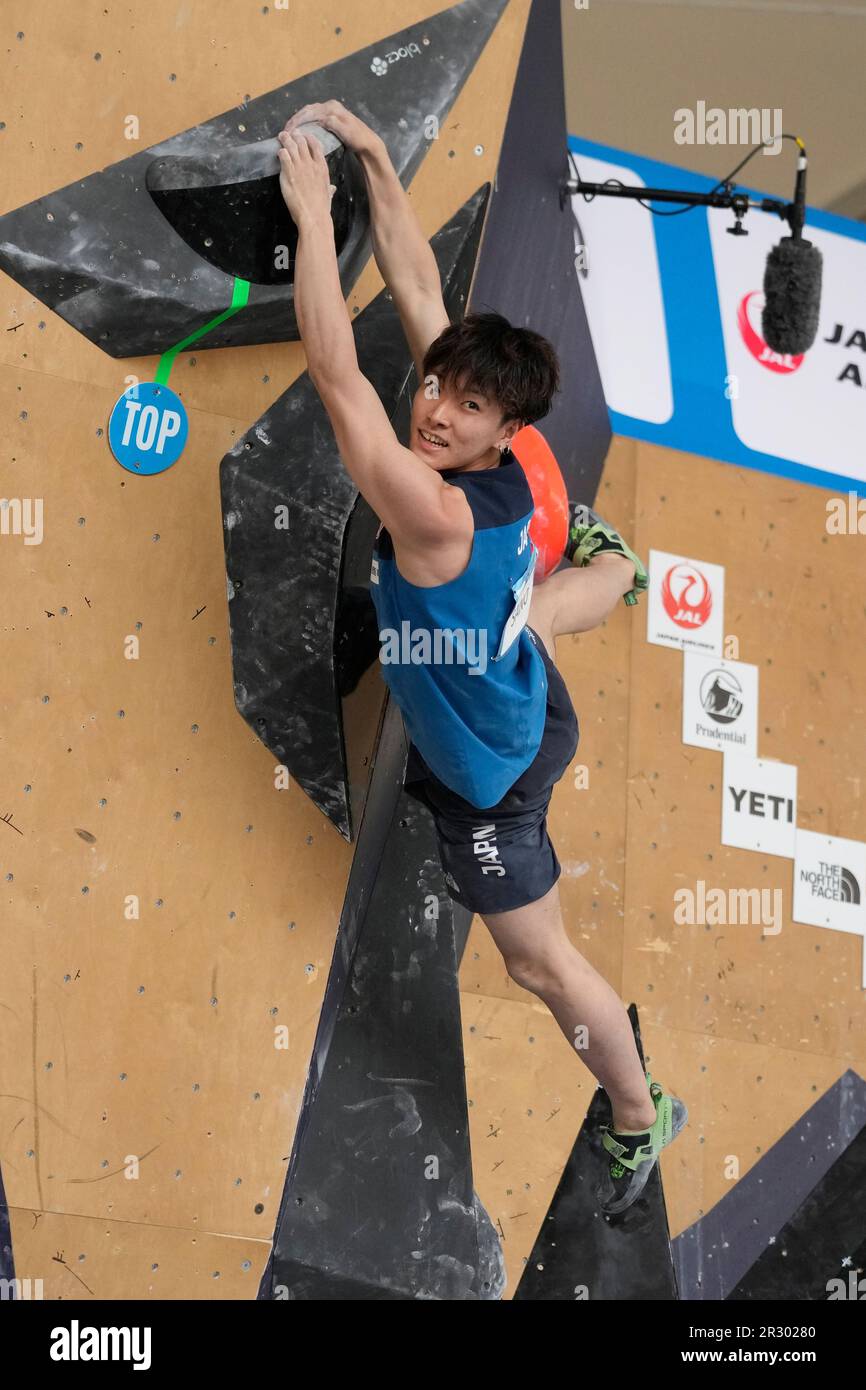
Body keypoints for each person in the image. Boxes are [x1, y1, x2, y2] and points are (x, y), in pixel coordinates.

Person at [276, 102, 686, 1216]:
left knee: (536, 963)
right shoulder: (517, 461)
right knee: (548, 596)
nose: (437, 413)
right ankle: (609, 570)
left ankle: (641, 1110)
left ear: (501, 430)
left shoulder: (436, 516)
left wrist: (314, 217)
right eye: (438, 391)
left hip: (496, 772)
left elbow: (334, 379)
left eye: (464, 407)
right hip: (521, 679)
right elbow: (415, 286)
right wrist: (369, 155)